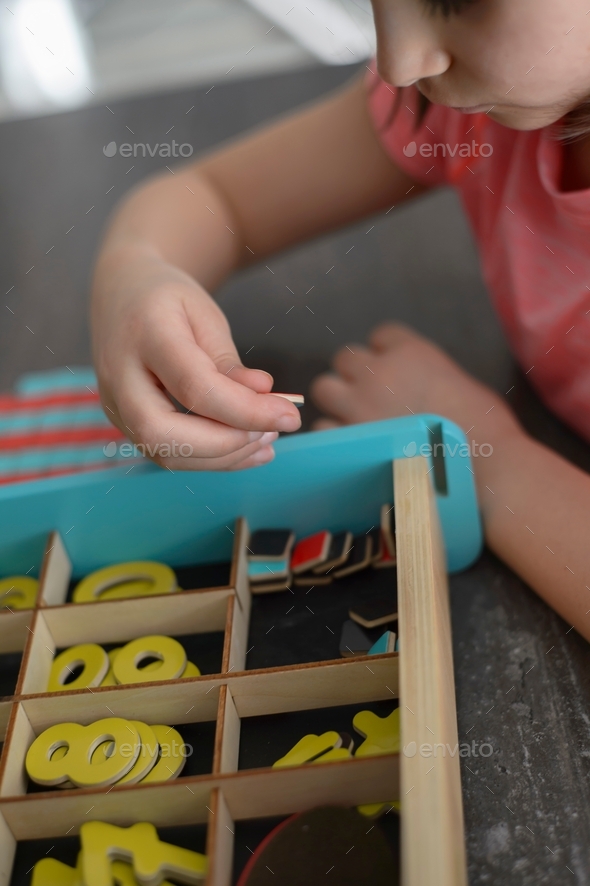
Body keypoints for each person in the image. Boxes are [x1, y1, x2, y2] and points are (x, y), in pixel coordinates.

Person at [91, 0, 590, 640]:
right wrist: (135, 274)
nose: (399, 61)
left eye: (455, 2)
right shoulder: (463, 104)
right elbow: (210, 199)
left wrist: (486, 461)